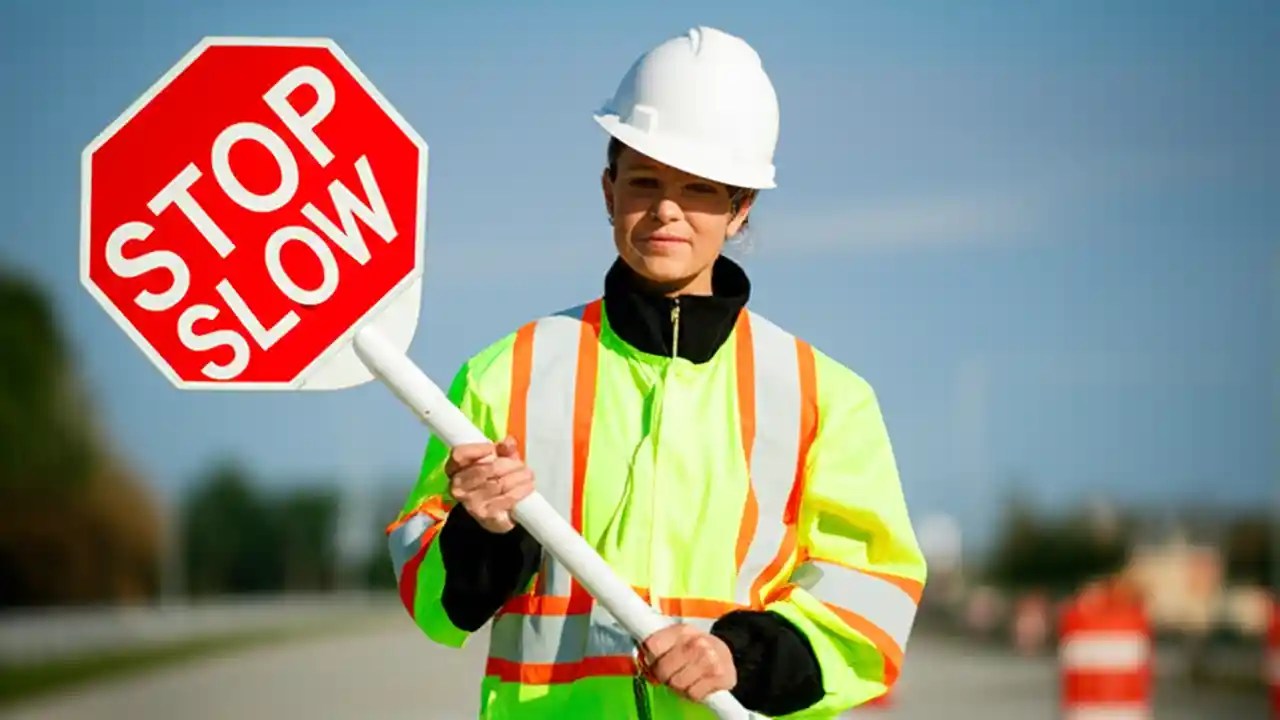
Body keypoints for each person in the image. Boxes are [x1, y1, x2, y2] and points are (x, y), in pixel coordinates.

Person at [386, 25, 927, 719]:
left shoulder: (825, 397)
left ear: (740, 210)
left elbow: (874, 598)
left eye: (699, 188)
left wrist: (741, 657)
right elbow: (433, 604)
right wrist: (484, 531)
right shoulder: (506, 373)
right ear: (608, 191)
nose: (667, 208)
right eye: (645, 181)